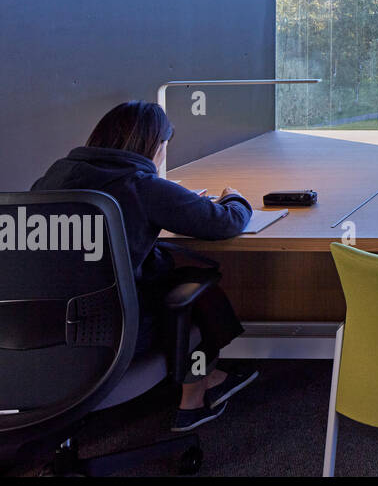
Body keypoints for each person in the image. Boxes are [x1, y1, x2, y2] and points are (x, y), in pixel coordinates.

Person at [32, 100, 258, 431]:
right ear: (155, 145)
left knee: (167, 279)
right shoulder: (140, 185)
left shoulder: (51, 179)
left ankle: (210, 377)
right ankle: (192, 401)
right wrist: (236, 197)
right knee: (193, 297)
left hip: (40, 335)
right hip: (112, 337)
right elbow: (224, 223)